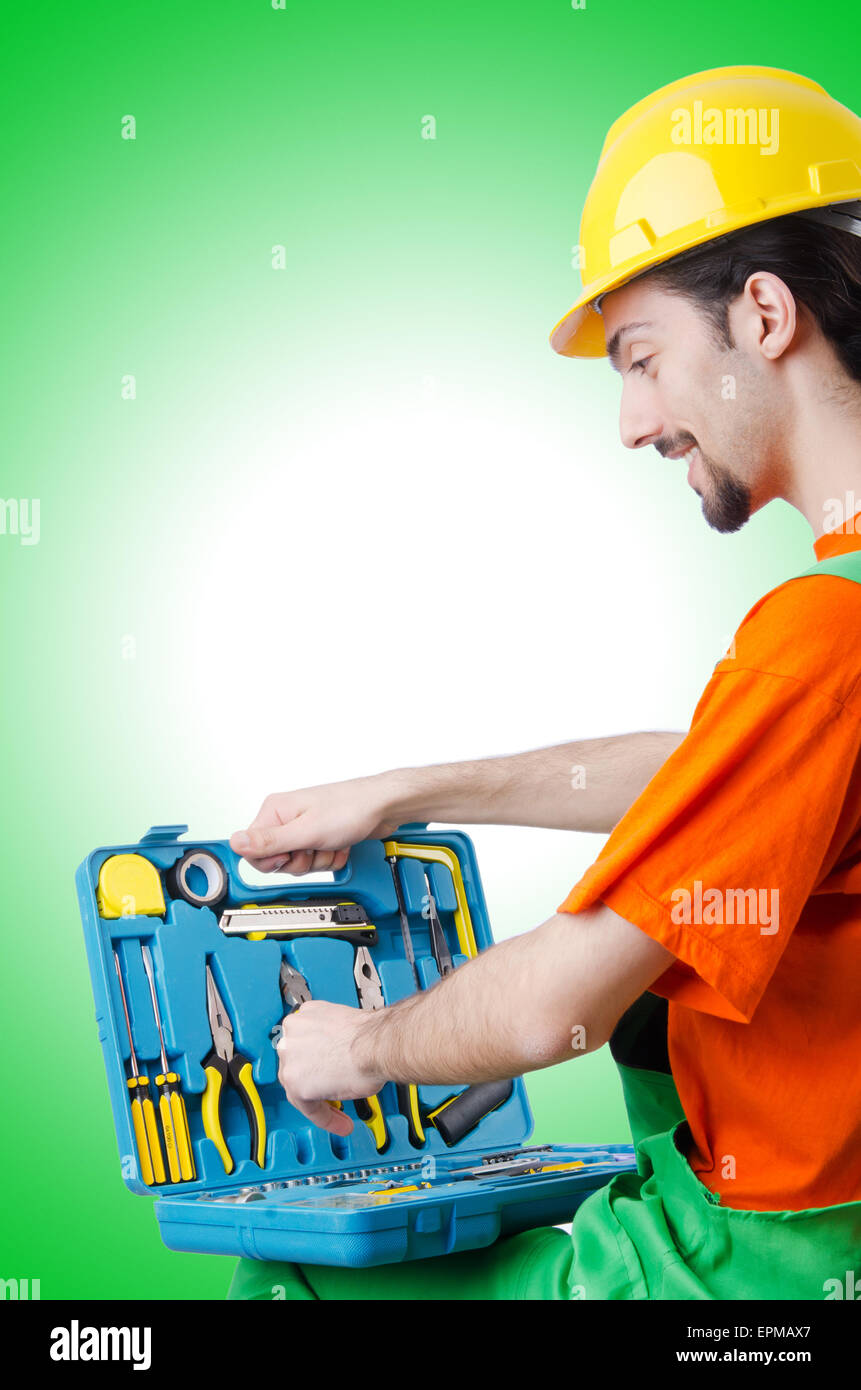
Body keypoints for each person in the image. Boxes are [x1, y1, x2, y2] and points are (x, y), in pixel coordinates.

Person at [227, 66, 861, 1300]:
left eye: (642, 356)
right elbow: (738, 772)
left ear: (766, 315)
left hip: (746, 1280)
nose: (631, 420)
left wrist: (358, 1045)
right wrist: (417, 789)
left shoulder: (819, 636)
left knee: (291, 1266)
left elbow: (549, 1012)